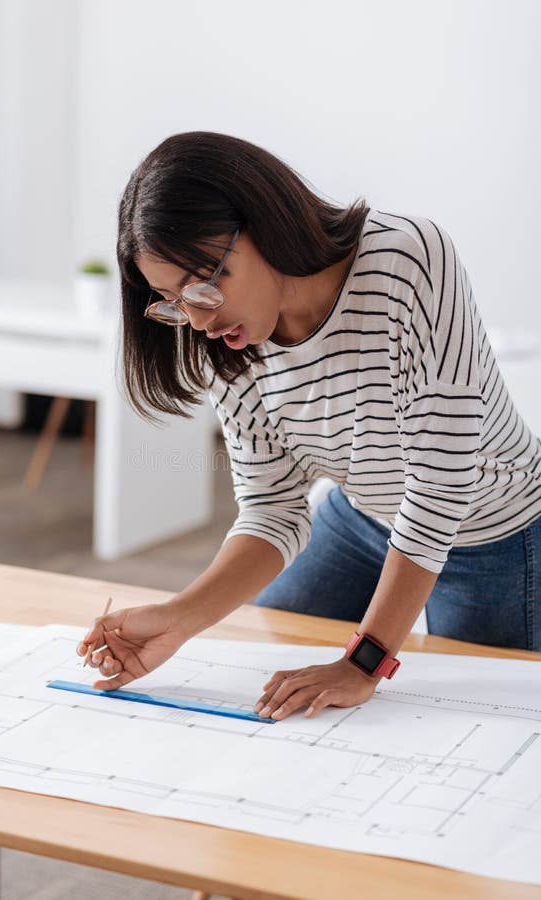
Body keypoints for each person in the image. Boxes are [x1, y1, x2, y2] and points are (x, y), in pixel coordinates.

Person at [77, 131, 541, 721]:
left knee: (475, 720)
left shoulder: (409, 259)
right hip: (361, 516)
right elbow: (272, 508)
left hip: (491, 528)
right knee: (268, 659)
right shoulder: (224, 344)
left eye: (203, 281)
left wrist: (364, 661)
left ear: (263, 222)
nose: (195, 318)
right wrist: (178, 618)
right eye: (171, 299)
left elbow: (440, 483)